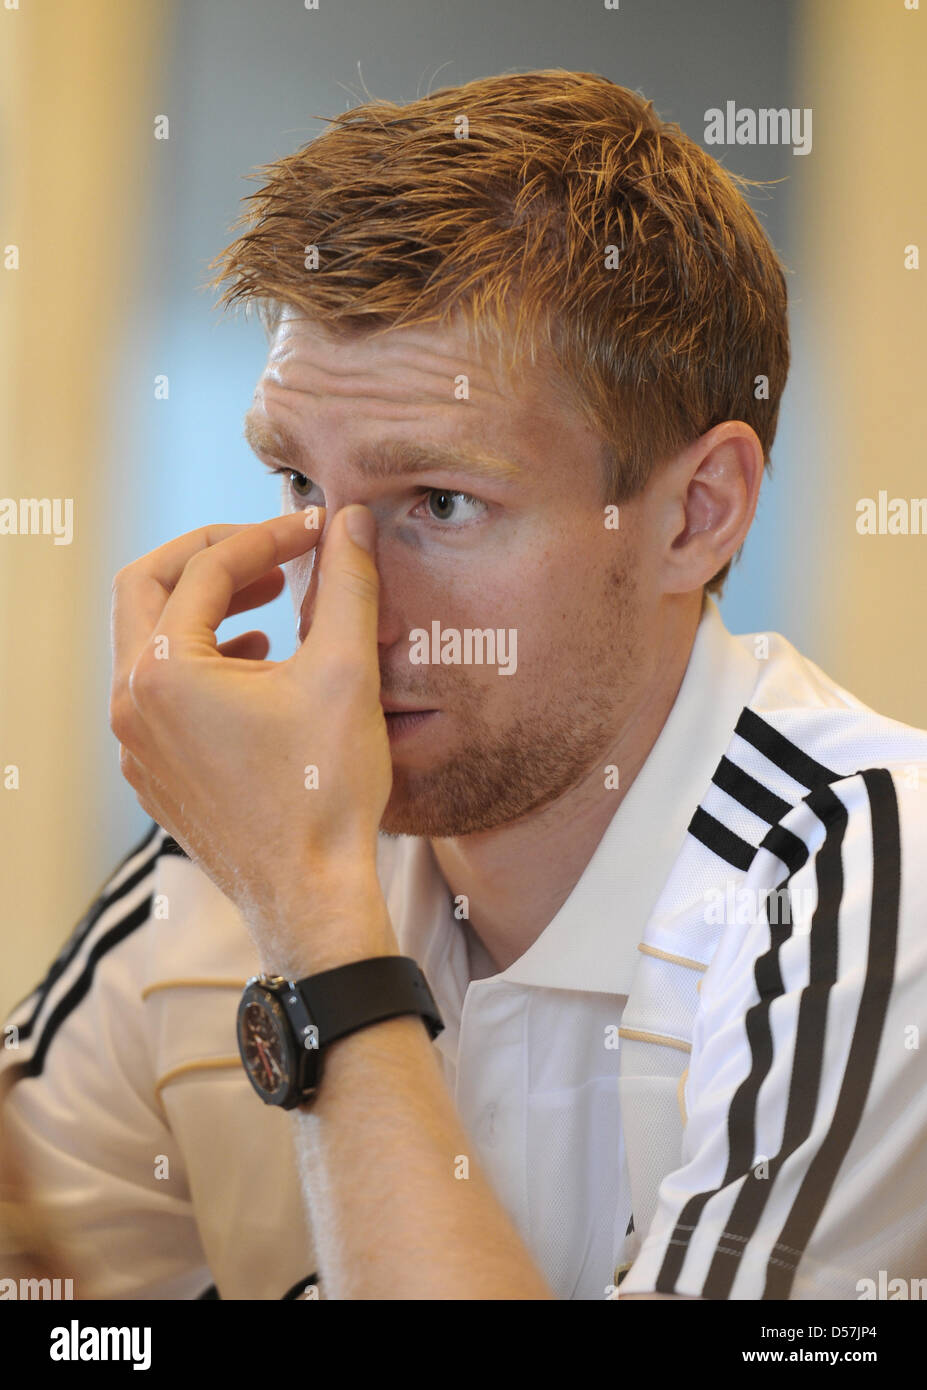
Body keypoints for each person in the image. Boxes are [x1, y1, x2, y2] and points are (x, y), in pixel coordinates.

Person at [2, 69, 926, 1302]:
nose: (340, 613)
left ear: (696, 515)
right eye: (298, 488)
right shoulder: (240, 845)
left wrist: (320, 941)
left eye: (440, 503)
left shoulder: (869, 873)